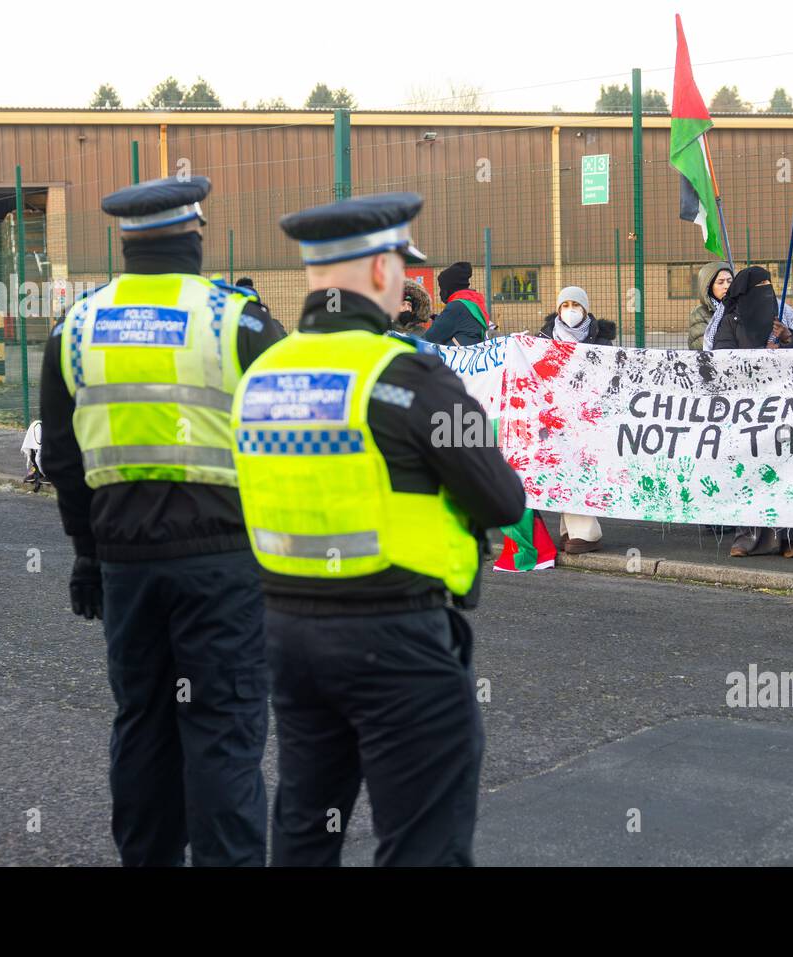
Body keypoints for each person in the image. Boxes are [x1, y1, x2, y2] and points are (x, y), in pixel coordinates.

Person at [231, 192, 525, 866]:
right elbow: (503, 498)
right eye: (400, 265)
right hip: (396, 638)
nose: (406, 282)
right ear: (375, 271)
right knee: (422, 840)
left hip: (288, 634)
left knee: (305, 826)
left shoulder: (261, 373)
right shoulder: (409, 373)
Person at [39, 175, 286, 866]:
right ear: (195, 237)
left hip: (126, 563)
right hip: (226, 563)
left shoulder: (76, 325)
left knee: (142, 724)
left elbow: (62, 454)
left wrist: (87, 553)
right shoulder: (239, 321)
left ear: (125, 242)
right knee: (223, 731)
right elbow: (290, 437)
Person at [714, 266, 793, 558]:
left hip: (782, 412)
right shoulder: (730, 323)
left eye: (770, 285)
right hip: (747, 413)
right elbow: (722, 362)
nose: (767, 292)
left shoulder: (783, 320)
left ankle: (788, 539)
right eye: (760, 287)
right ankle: (747, 538)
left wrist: (789, 339)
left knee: (784, 472)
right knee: (749, 472)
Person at [536, 286, 616, 552]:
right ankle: (571, 528)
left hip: (587, 415)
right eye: (565, 305)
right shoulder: (544, 338)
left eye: (576, 305)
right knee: (562, 468)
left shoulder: (600, 341)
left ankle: (587, 532)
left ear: (586, 308)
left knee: (580, 468)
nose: (570, 311)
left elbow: (610, 376)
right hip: (555, 414)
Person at [423, 261, 494, 346]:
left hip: (459, 356)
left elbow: (430, 337)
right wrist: (438, 318)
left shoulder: (456, 306)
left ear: (449, 287)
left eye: (441, 287)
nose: (441, 292)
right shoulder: (473, 302)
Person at [687, 261, 734, 352]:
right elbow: (699, 345)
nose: (726, 286)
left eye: (730, 281)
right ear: (709, 286)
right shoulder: (699, 313)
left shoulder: (738, 308)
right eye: (720, 282)